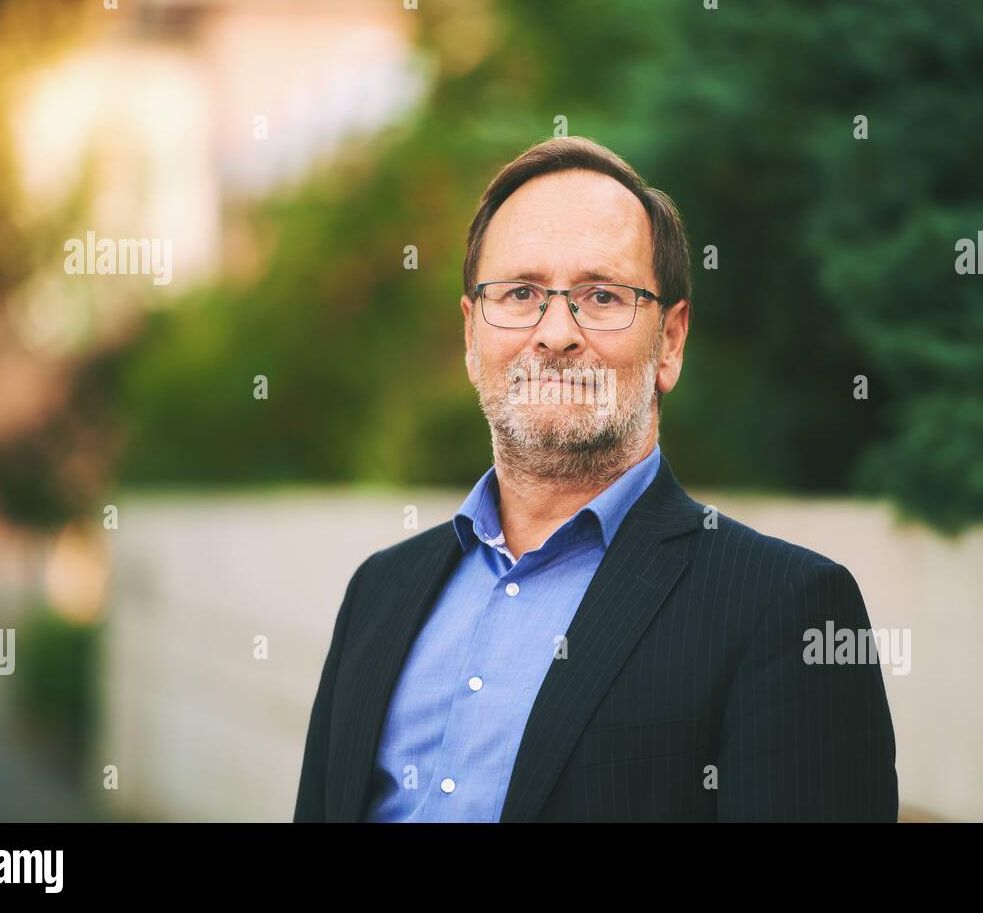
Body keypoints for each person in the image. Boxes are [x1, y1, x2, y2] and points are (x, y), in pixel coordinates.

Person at [294, 136, 898, 822]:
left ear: (669, 341)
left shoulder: (784, 608)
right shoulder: (380, 591)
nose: (556, 332)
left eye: (602, 295)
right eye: (521, 292)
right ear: (470, 336)